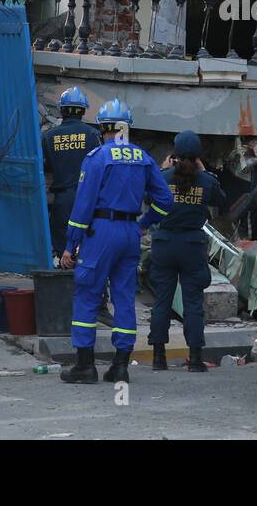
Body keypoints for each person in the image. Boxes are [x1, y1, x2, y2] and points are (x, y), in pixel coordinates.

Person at [59, 98, 173, 384]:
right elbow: (164, 201)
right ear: (126, 127)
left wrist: (71, 244)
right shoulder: (143, 157)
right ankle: (120, 366)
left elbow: (82, 207)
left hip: (101, 232)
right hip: (129, 233)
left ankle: (85, 366)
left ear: (103, 127)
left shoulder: (97, 157)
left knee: (87, 294)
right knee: (124, 297)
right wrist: (143, 224)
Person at [142, 131, 227, 373]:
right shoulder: (207, 181)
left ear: (174, 154)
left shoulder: (162, 178)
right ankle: (196, 359)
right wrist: (203, 171)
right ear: (199, 155)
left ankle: (159, 357)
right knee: (192, 303)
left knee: (161, 302)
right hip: (192, 246)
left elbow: (148, 200)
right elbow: (222, 201)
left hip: (164, 244)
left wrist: (161, 171)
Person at [40, 87, 100, 256]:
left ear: (61, 109)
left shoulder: (48, 136)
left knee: (62, 247)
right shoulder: (92, 134)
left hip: (62, 199)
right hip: (88, 197)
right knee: (88, 245)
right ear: (83, 110)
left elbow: (44, 168)